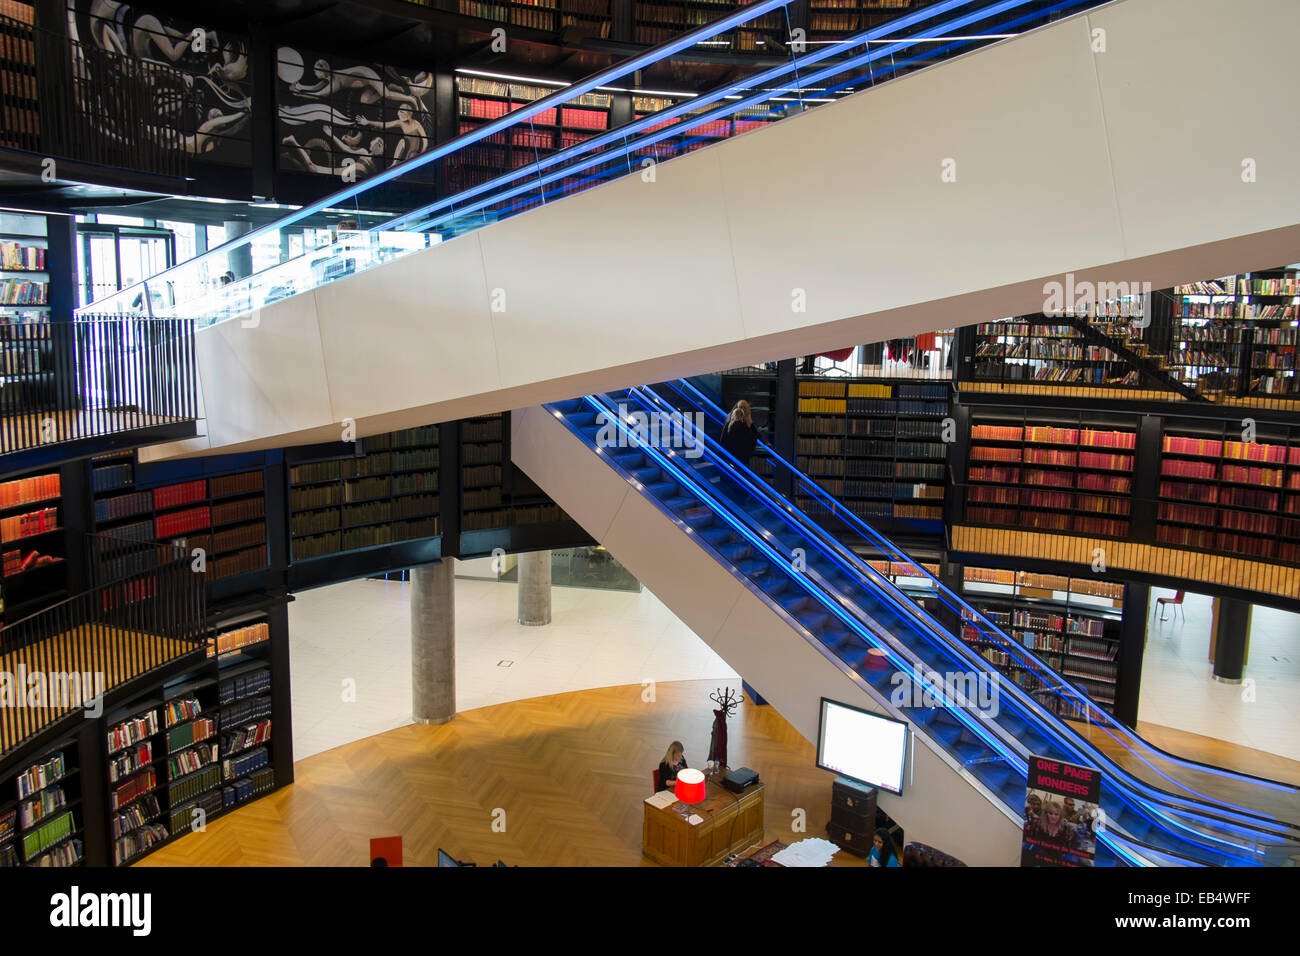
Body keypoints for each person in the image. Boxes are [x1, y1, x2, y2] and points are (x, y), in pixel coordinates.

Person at [720, 400, 759, 467]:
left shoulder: (748, 421)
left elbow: (755, 433)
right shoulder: (732, 421)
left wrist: (765, 442)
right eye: (740, 407)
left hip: (743, 451)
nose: (742, 409)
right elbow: (724, 437)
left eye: (744, 407)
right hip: (734, 451)